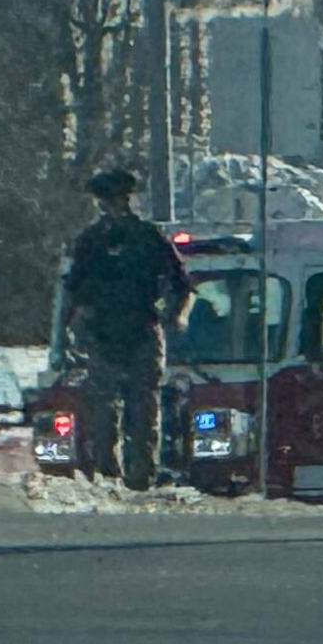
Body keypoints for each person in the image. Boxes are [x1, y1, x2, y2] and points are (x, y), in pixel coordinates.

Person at [54, 166, 192, 492]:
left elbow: (182, 284)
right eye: (107, 200)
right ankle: (107, 474)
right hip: (102, 333)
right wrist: (64, 334)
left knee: (144, 407)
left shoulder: (149, 237)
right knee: (103, 408)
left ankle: (141, 476)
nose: (112, 206)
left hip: (142, 328)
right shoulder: (89, 242)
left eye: (117, 199)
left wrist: (176, 315)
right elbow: (71, 291)